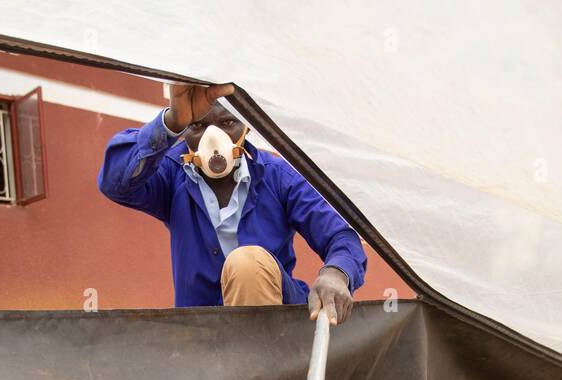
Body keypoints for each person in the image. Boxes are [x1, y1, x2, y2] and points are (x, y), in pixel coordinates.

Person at [98, 83, 367, 324]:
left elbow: (341, 237)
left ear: (246, 125)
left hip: (280, 329)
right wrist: (172, 121)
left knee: (246, 264)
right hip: (203, 337)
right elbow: (115, 183)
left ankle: (263, 372)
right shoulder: (172, 173)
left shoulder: (278, 177)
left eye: (227, 123)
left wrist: (336, 273)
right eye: (198, 126)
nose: (213, 139)